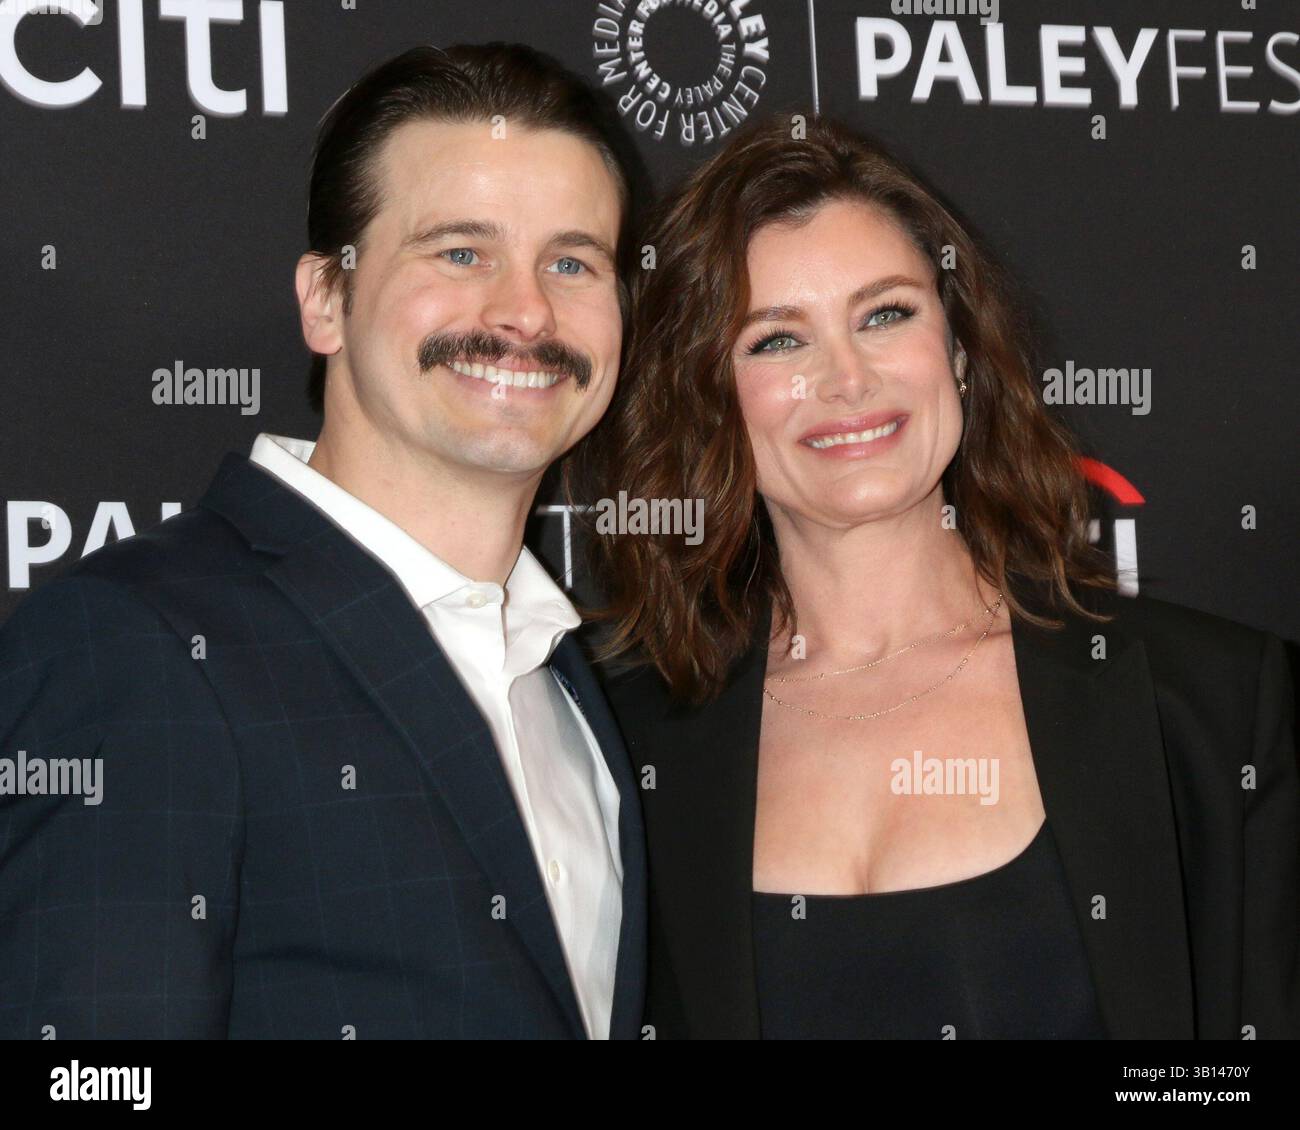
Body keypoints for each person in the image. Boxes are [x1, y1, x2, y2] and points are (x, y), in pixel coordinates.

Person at [573, 113, 1299, 1039]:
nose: (847, 379)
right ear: (708, 398)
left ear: (956, 349)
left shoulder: (1206, 705)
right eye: (776, 341)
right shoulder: (625, 743)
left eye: (885, 314)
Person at [0, 43, 646, 1040]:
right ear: (325, 298)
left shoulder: (581, 686)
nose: (525, 311)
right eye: (460, 252)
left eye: (571, 261)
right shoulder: (143, 644)